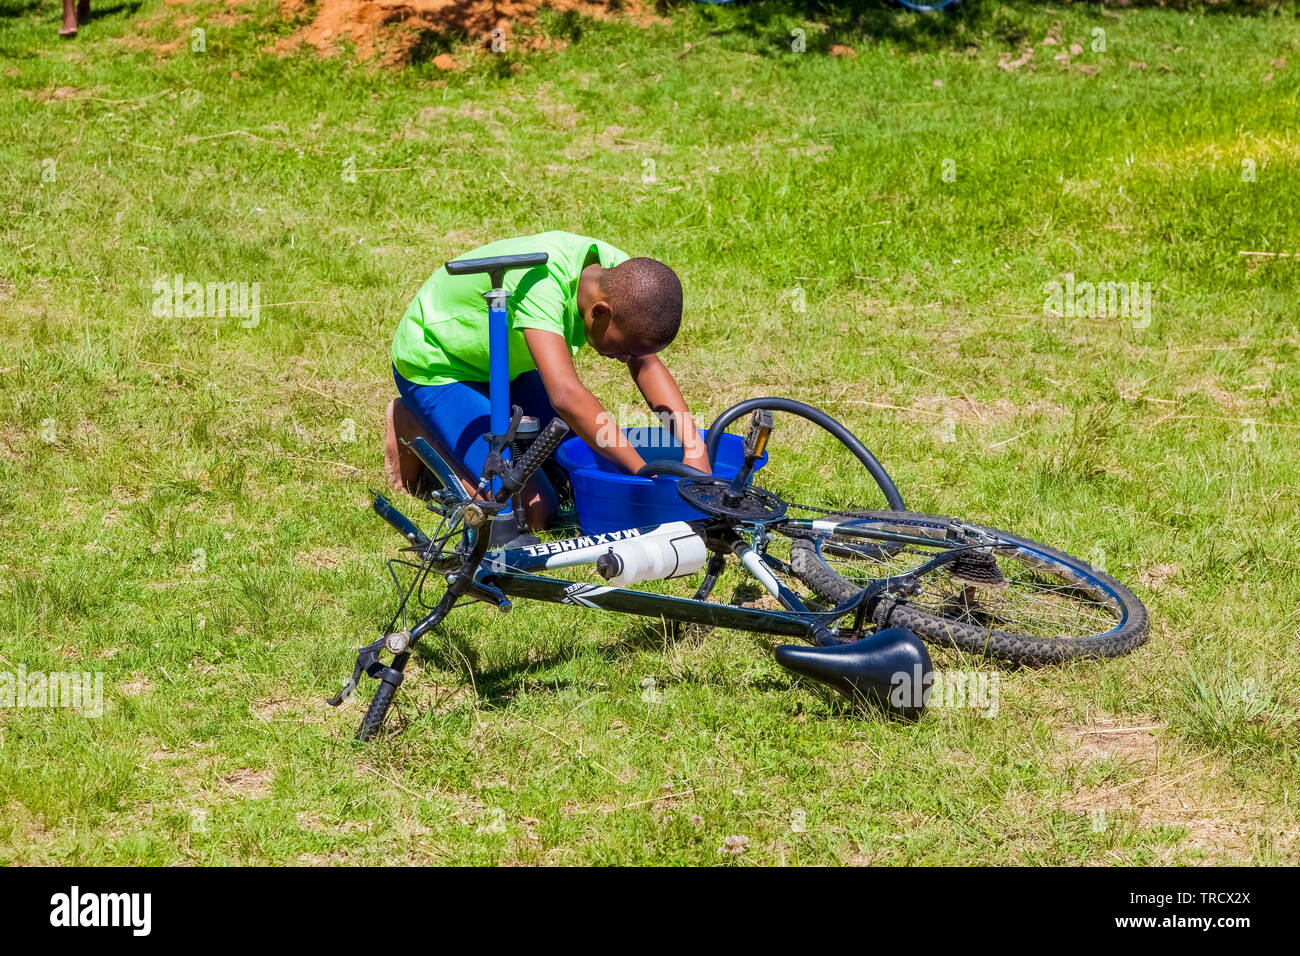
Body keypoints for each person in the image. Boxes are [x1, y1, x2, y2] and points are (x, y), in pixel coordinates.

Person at [384, 231, 709, 541]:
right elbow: (566, 396)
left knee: (578, 471)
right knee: (531, 511)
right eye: (625, 349)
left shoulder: (617, 275)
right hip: (438, 366)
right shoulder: (542, 284)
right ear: (600, 312)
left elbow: (648, 365)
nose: (626, 359)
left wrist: (695, 448)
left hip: (505, 369)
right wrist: (642, 474)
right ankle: (414, 424)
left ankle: (456, 419)